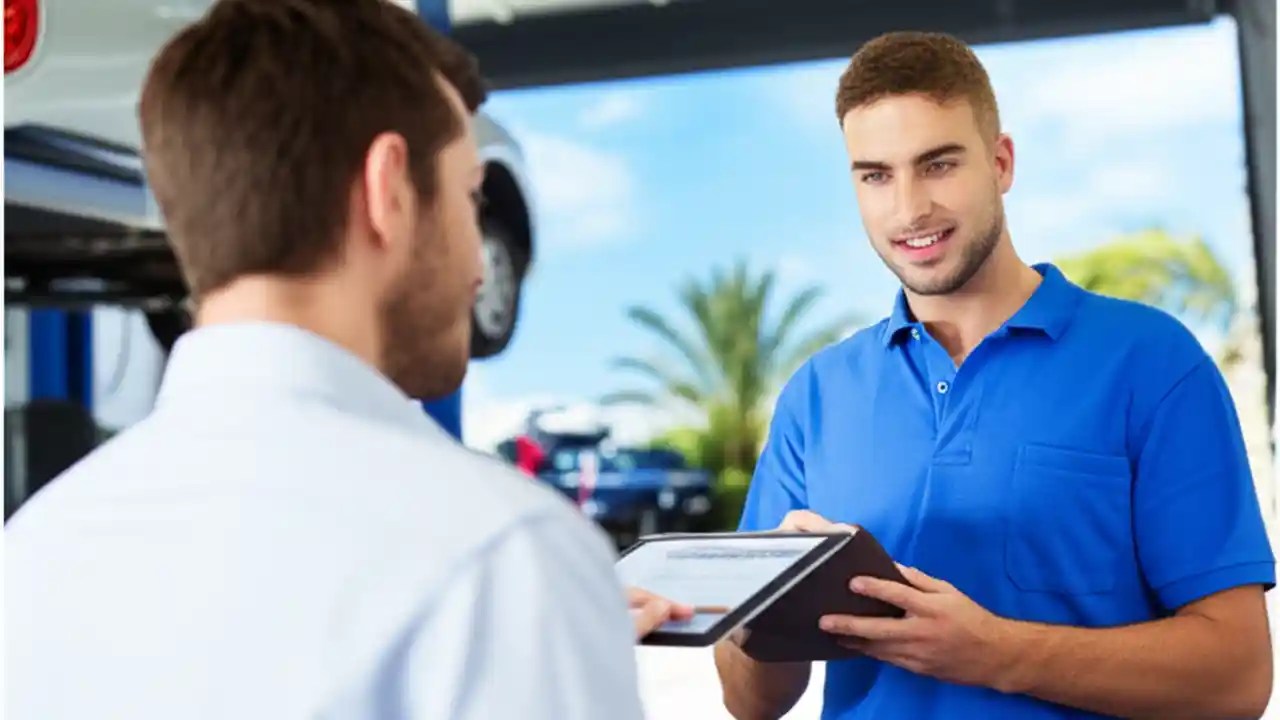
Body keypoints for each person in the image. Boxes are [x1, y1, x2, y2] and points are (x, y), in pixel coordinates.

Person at [5, 1, 686, 718]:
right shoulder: (502, 559)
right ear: (388, 189)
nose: (480, 268)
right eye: (468, 197)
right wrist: (545, 625)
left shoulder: (32, 555)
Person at [714, 30, 1275, 720]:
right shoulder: (818, 394)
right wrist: (760, 603)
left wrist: (995, 653)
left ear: (1001, 162)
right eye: (876, 175)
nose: (909, 208)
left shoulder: (1151, 362)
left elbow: (1238, 678)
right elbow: (752, 704)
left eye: (939, 164)